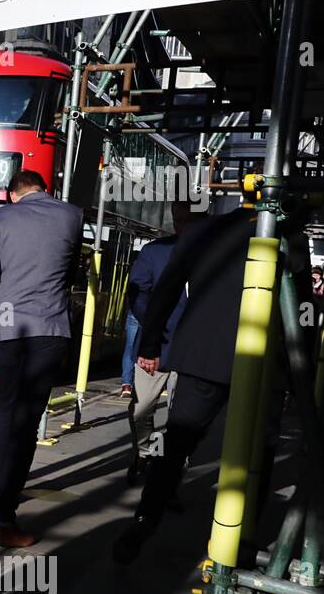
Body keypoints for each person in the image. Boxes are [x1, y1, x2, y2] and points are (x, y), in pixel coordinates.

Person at [113, 209, 309, 565]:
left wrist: (150, 343)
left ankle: (145, 518)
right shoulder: (290, 234)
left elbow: (168, 288)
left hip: (203, 355)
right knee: (258, 455)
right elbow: (303, 305)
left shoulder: (203, 230)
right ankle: (244, 538)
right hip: (265, 363)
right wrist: (302, 369)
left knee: (175, 443)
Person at [0, 169, 84, 548]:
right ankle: (4, 513)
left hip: (4, 328)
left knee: (3, 409)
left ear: (12, 194)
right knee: (28, 418)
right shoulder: (72, 215)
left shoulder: (0, 217)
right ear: (45, 190)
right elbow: (70, 271)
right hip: (49, 328)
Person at [124, 202, 203, 480]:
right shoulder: (155, 252)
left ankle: (172, 465)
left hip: (195, 349)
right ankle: (145, 453)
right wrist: (153, 328)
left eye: (188, 221)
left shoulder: (212, 255)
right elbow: (137, 294)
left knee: (183, 416)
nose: (182, 226)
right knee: (141, 408)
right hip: (157, 345)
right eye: (178, 220)